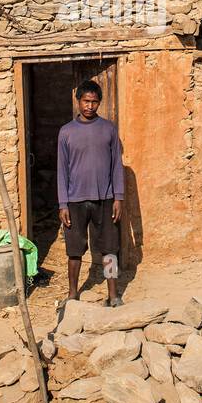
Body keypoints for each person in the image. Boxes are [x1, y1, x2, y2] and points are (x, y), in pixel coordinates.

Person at [57, 80, 125, 307]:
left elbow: (117, 164)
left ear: (99, 103)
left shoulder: (109, 129)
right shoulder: (66, 132)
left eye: (94, 102)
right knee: (74, 250)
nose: (90, 106)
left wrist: (118, 197)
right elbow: (62, 169)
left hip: (105, 199)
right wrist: (62, 203)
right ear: (78, 101)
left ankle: (113, 294)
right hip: (75, 200)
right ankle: (73, 292)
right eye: (86, 101)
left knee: (110, 248)